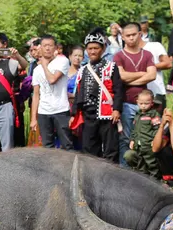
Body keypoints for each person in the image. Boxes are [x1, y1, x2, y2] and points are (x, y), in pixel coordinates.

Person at [113, 22, 158, 164]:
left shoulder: (147, 55)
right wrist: (141, 73)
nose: (131, 38)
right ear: (123, 37)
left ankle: (145, 171)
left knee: (146, 138)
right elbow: (121, 76)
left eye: (134, 35)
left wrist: (130, 80)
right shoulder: (119, 56)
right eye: (128, 35)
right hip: (127, 103)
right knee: (126, 138)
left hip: (145, 104)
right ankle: (124, 170)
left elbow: (152, 75)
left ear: (139, 34)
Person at [76, 30, 124, 162]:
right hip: (88, 115)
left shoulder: (111, 67)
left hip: (107, 114)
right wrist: (75, 113)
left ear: (102, 49)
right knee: (89, 148)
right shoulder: (83, 69)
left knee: (110, 149)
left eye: (96, 48)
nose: (92, 51)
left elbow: (119, 90)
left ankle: (112, 177)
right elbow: (78, 93)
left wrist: (117, 109)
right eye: (90, 48)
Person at [31, 35, 70, 149]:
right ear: (40, 48)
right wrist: (34, 118)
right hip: (44, 112)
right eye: (45, 46)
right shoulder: (36, 70)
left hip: (61, 110)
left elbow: (52, 79)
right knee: (47, 146)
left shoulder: (62, 61)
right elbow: (36, 94)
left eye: (50, 45)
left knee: (67, 144)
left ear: (55, 48)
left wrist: (43, 64)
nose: (47, 48)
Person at [124, 92, 162, 178]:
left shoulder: (153, 114)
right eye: (141, 103)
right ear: (137, 102)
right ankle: (144, 178)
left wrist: (154, 140)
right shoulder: (137, 115)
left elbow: (157, 129)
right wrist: (132, 140)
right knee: (140, 162)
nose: (143, 106)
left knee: (151, 162)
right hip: (139, 145)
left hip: (149, 144)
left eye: (146, 103)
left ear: (152, 103)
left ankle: (155, 179)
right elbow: (134, 130)